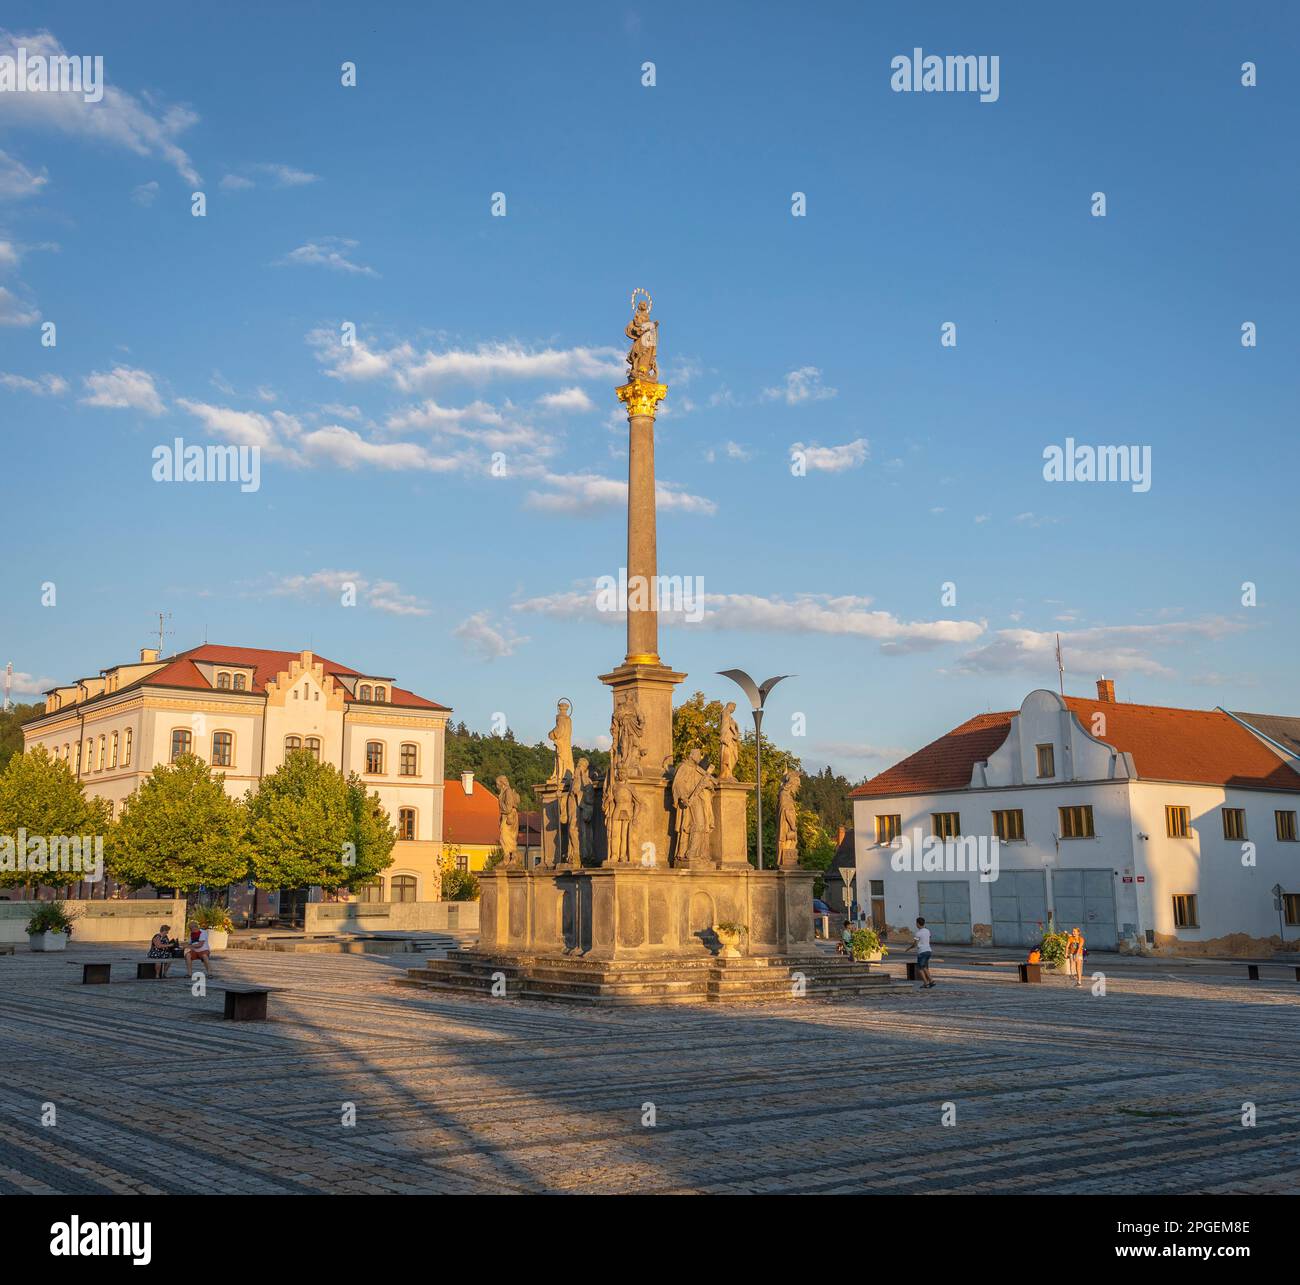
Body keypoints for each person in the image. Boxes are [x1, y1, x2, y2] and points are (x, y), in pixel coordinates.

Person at [903, 916, 935, 989]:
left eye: (916, 923)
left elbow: (915, 944)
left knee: (920, 968)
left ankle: (926, 983)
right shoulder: (928, 931)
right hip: (929, 951)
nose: (916, 925)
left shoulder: (918, 933)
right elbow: (929, 938)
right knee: (924, 967)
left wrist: (908, 948)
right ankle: (931, 980)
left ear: (918, 924)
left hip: (922, 952)